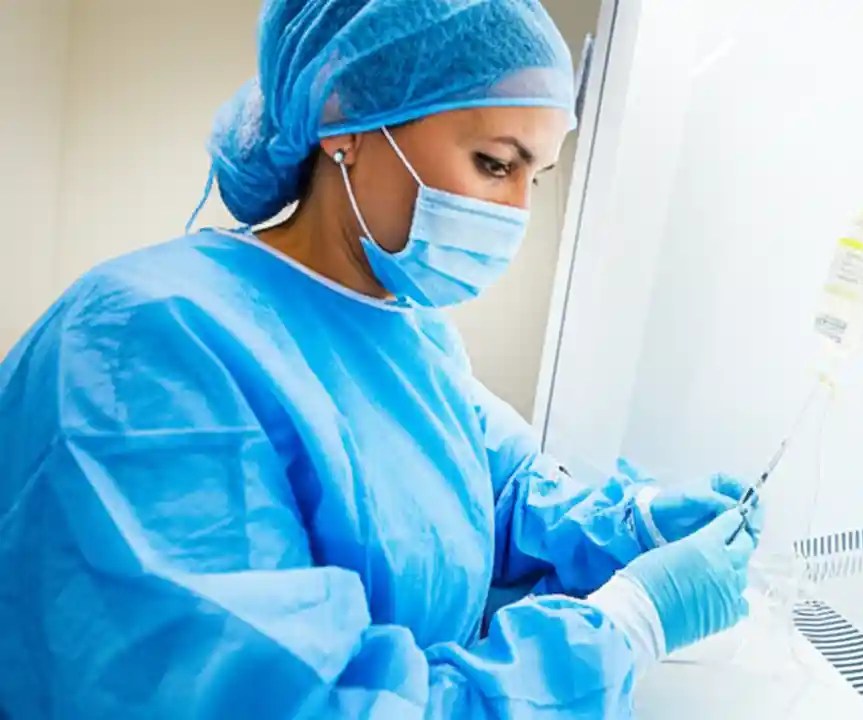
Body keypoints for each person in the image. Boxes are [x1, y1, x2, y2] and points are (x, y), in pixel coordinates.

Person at [0, 1, 764, 717]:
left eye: (538, 176)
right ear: (346, 121)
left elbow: (474, 498)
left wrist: (632, 528)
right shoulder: (145, 346)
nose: (519, 212)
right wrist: (627, 626)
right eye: (497, 164)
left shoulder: (411, 334)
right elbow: (297, 702)